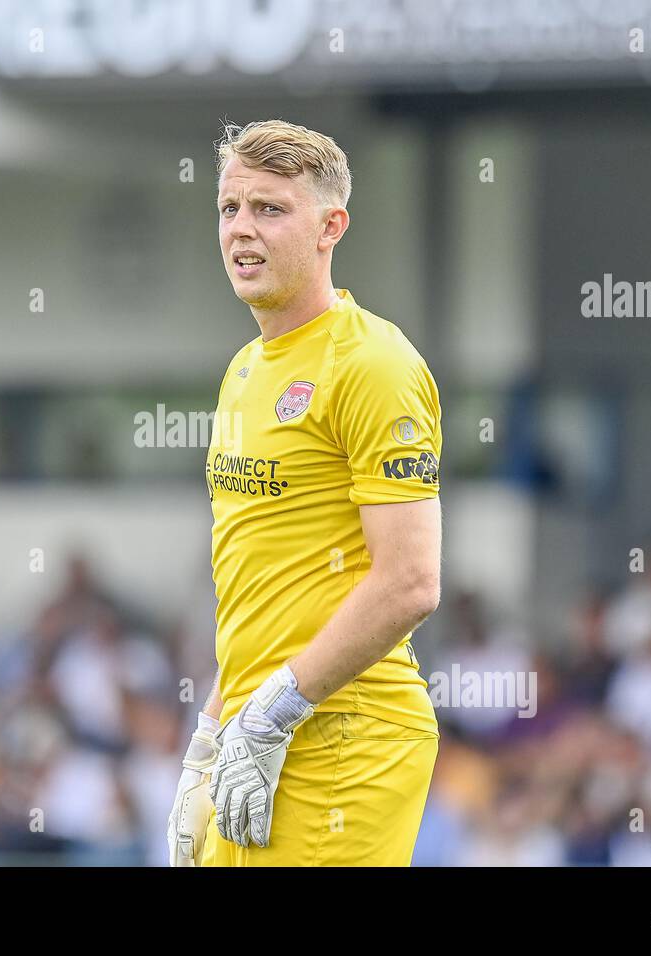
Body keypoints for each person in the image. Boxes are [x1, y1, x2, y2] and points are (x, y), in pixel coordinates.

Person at [168, 120, 443, 866]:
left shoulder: (373, 364)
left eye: (270, 209)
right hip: (255, 735)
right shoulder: (243, 370)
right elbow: (266, 587)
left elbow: (412, 582)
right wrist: (209, 739)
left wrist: (274, 714)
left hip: (346, 737)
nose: (241, 231)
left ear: (331, 227)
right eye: (229, 210)